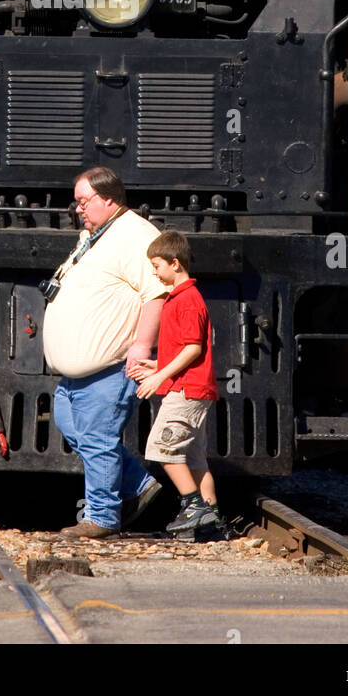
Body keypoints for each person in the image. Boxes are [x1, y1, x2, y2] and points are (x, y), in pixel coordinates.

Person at [42, 167, 167, 538]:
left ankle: (102, 517)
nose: (77, 208)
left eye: (84, 201)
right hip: (78, 373)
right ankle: (139, 484)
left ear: (108, 199)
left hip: (111, 367)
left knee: (98, 436)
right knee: (70, 424)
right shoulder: (95, 235)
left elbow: (157, 295)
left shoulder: (137, 236)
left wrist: (142, 346)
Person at [131, 230, 222, 537]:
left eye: (157, 265)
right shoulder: (182, 298)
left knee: (163, 449)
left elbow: (194, 348)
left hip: (185, 390)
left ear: (175, 263)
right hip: (193, 386)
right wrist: (157, 364)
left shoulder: (187, 300)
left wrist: (160, 376)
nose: (154, 272)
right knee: (195, 458)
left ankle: (194, 506)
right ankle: (211, 523)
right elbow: (186, 349)